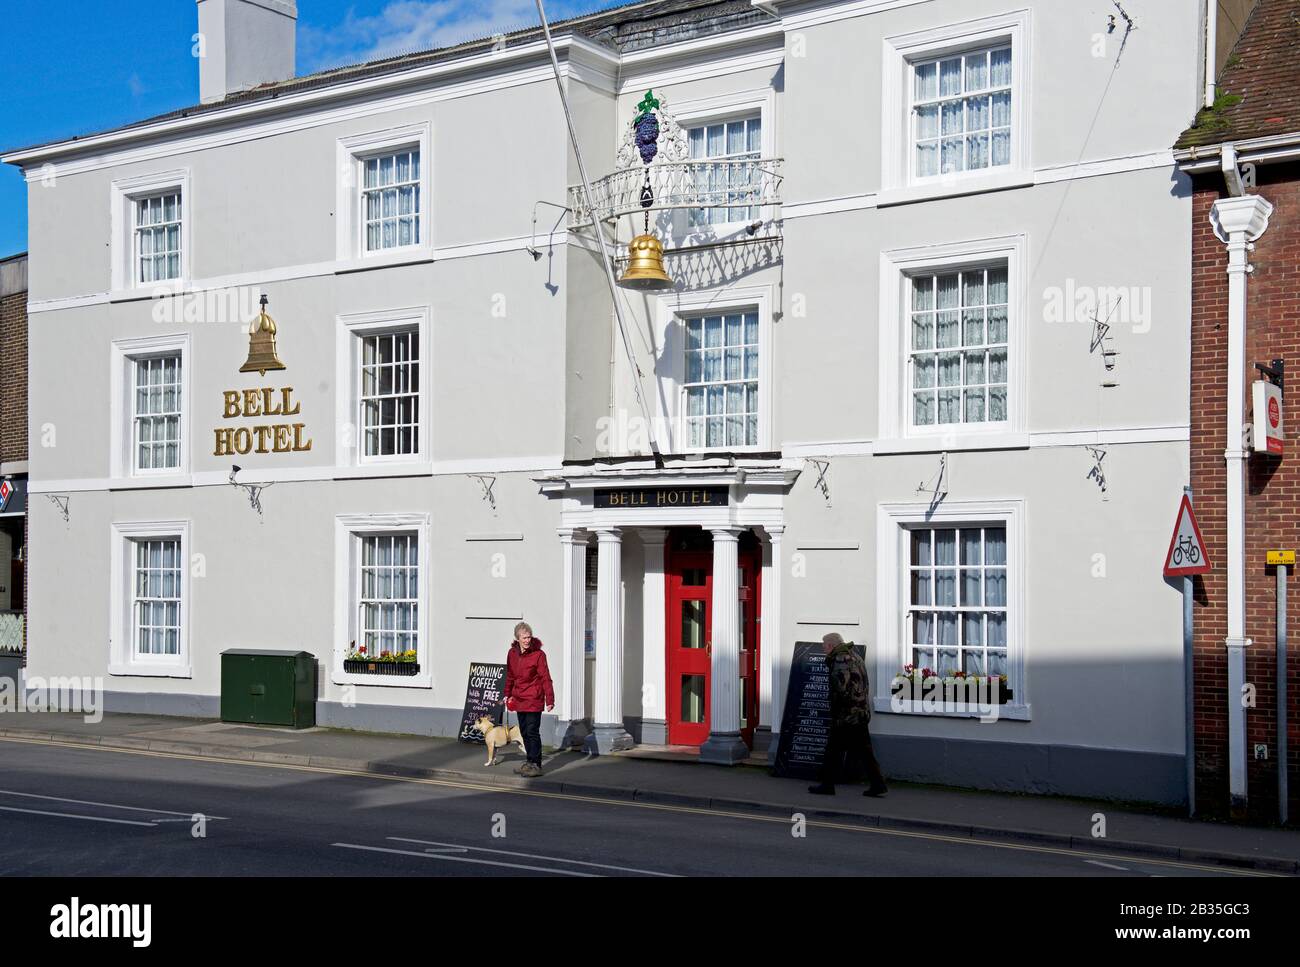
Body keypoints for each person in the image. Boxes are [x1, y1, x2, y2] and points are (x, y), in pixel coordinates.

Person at [808, 632, 888, 797]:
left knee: (833, 750)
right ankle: (878, 783)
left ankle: (827, 785)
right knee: (865, 751)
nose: (823, 649)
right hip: (860, 712)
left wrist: (837, 713)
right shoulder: (855, 656)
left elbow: (841, 689)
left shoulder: (840, 660)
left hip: (847, 715)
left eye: (824, 646)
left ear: (831, 645)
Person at [503, 621, 554, 777]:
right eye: (524, 637)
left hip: (533, 698)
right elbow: (510, 675)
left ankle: (536, 765)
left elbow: (545, 678)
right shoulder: (512, 653)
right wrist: (507, 694)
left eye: (529, 637)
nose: (527, 640)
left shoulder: (539, 655)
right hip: (519, 698)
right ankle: (529, 762)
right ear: (517, 638)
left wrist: (550, 699)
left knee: (532, 732)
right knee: (524, 732)